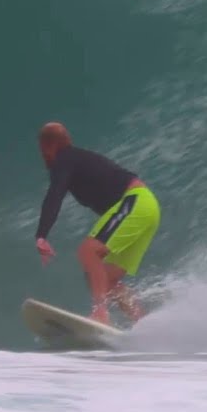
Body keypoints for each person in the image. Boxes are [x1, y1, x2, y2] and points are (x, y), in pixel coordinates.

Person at [34, 122, 161, 325]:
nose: (43, 156)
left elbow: (55, 194)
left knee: (88, 252)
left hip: (135, 201)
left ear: (49, 146)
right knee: (106, 279)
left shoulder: (65, 158)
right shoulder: (76, 160)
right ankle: (145, 324)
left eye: (42, 150)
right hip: (147, 207)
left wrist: (41, 235)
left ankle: (101, 314)